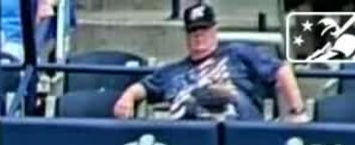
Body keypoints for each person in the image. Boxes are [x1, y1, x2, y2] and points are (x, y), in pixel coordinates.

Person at [113, 2, 306, 123]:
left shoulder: (238, 53)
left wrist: (296, 111)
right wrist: (127, 97)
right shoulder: (173, 71)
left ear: (214, 30)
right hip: (189, 141)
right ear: (186, 36)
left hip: (239, 135)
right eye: (194, 32)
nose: (199, 38)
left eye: (203, 31)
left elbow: (282, 69)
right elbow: (142, 88)